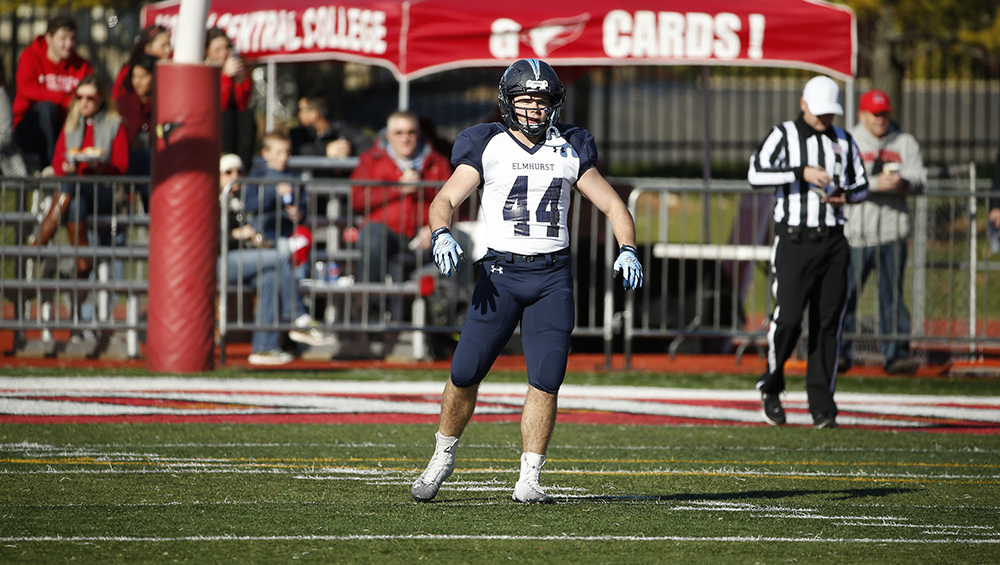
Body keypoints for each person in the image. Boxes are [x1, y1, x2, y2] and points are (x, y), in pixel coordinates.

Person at [410, 59, 643, 503]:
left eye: (541, 100)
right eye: (525, 100)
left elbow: (614, 206)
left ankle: (529, 478)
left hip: (553, 276)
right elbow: (445, 199)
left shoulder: (572, 145)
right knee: (464, 372)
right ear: (508, 102)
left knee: (547, 378)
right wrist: (440, 231)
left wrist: (628, 247)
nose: (534, 109)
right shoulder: (485, 142)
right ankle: (442, 455)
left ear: (555, 103)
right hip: (500, 274)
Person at [748, 76, 868, 429]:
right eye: (819, 112)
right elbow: (755, 173)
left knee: (828, 323)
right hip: (794, 240)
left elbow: (861, 184)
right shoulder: (784, 134)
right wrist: (800, 173)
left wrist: (844, 194)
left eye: (830, 113)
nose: (824, 118)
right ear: (804, 104)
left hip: (833, 240)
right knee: (787, 319)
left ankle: (823, 406)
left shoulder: (844, 140)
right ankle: (771, 386)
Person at [841, 90, 927, 375]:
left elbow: (920, 179)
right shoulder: (848, 141)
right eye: (875, 114)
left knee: (891, 296)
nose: (880, 119)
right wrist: (876, 183)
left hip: (892, 233)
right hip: (856, 233)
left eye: (884, 114)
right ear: (861, 114)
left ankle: (896, 354)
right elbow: (843, 181)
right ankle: (839, 351)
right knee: (846, 294)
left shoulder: (905, 142)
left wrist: (902, 183)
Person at [32, 75, 129, 279]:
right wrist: (66, 167)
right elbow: (58, 161)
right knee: (75, 204)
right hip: (77, 190)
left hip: (106, 190)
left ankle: (40, 239)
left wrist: (98, 166)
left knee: (70, 184)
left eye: (90, 98)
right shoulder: (72, 123)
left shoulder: (115, 124)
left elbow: (122, 166)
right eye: (79, 97)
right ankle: (83, 263)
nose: (83, 102)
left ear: (101, 99)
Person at [244, 132, 334, 350]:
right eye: (278, 152)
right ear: (265, 154)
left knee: (275, 278)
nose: (284, 157)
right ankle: (299, 318)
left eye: (287, 152)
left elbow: (302, 209)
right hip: (263, 242)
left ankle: (270, 347)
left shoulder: (294, 177)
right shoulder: (257, 175)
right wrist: (274, 193)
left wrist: (297, 213)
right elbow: (250, 205)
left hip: (287, 239)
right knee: (283, 255)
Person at [350, 110, 451, 287]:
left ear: (418, 134)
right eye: (399, 133)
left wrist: (436, 226)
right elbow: (357, 199)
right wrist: (397, 189)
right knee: (371, 236)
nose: (405, 138)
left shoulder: (437, 162)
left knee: (458, 240)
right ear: (388, 135)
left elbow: (455, 200)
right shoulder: (371, 160)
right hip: (386, 233)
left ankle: (450, 309)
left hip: (427, 235)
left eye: (411, 132)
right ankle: (372, 307)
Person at [13, 15, 93, 169]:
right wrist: (64, 99)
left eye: (73, 38)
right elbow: (27, 89)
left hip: (65, 126)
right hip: (30, 128)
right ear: (48, 38)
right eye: (63, 38)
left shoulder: (81, 65)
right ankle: (50, 173)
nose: (69, 44)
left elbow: (93, 91)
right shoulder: (30, 57)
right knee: (46, 109)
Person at [205, 27, 256, 170]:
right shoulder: (205, 72)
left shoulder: (239, 65)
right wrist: (225, 77)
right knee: (225, 118)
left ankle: (241, 169)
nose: (224, 53)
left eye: (227, 47)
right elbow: (220, 105)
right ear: (208, 52)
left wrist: (240, 82)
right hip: (217, 126)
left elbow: (242, 105)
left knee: (247, 118)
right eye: (218, 49)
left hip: (236, 127)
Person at [114, 53, 157, 178]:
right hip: (127, 161)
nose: (137, 81)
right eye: (134, 76)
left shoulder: (163, 103)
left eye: (143, 77)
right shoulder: (124, 103)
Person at [290, 95, 371, 158]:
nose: (298, 114)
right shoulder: (298, 134)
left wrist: (347, 149)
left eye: (301, 110)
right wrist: (325, 151)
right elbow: (297, 149)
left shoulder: (341, 130)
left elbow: (366, 145)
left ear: (314, 114)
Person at [112, 24, 171, 100]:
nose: (168, 50)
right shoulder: (128, 70)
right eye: (163, 46)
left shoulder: (168, 70)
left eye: (169, 45)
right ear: (148, 48)